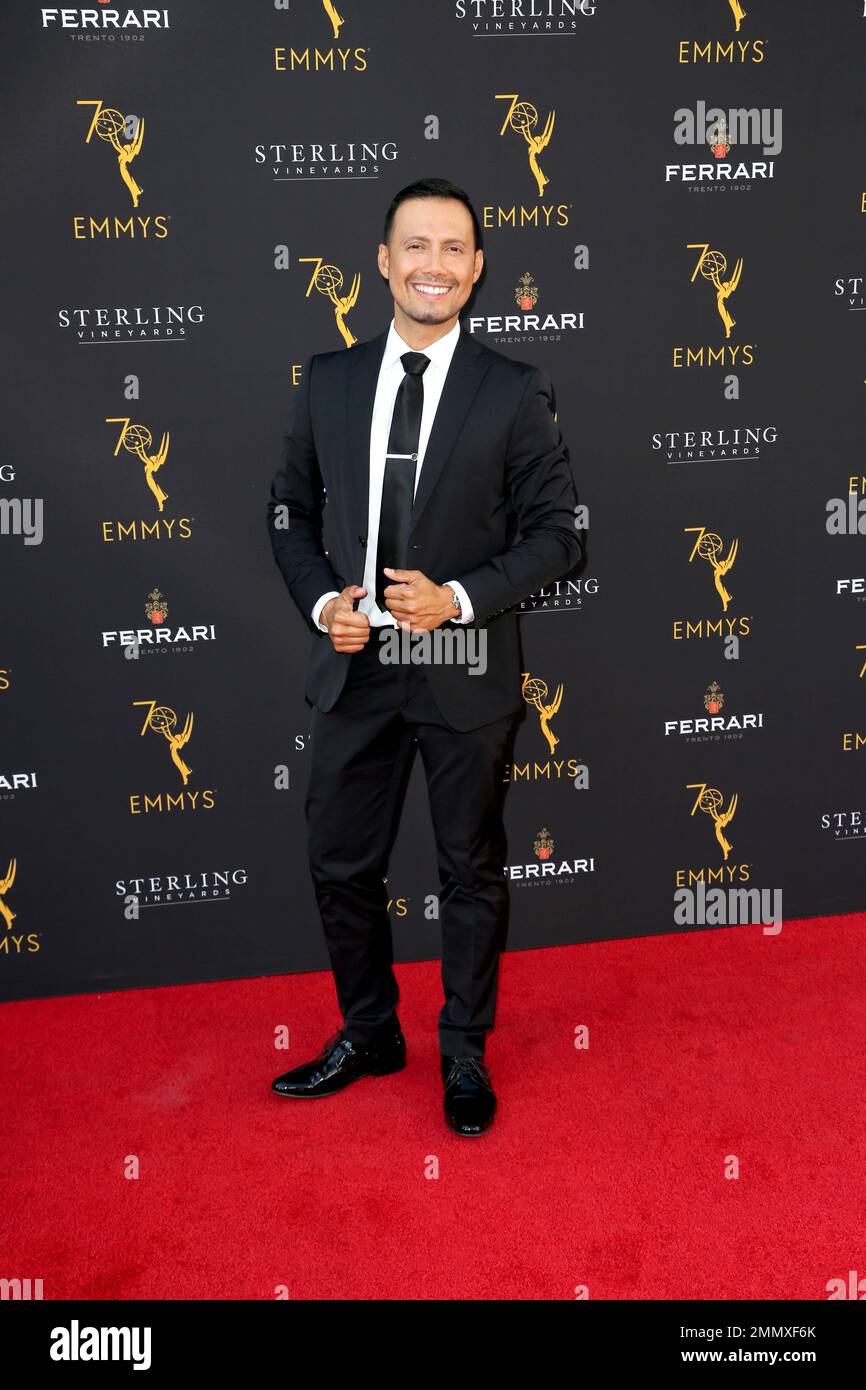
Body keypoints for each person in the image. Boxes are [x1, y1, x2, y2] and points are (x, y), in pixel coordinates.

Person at [266, 177, 583, 1136]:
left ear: (478, 267)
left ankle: (463, 1054)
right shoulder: (327, 379)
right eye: (415, 246)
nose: (432, 265)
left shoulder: (515, 389)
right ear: (383, 261)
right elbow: (288, 512)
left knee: (470, 869)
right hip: (359, 668)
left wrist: (459, 597)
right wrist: (327, 604)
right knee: (339, 861)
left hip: (466, 666)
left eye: (452, 249)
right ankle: (370, 1033)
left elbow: (561, 536)